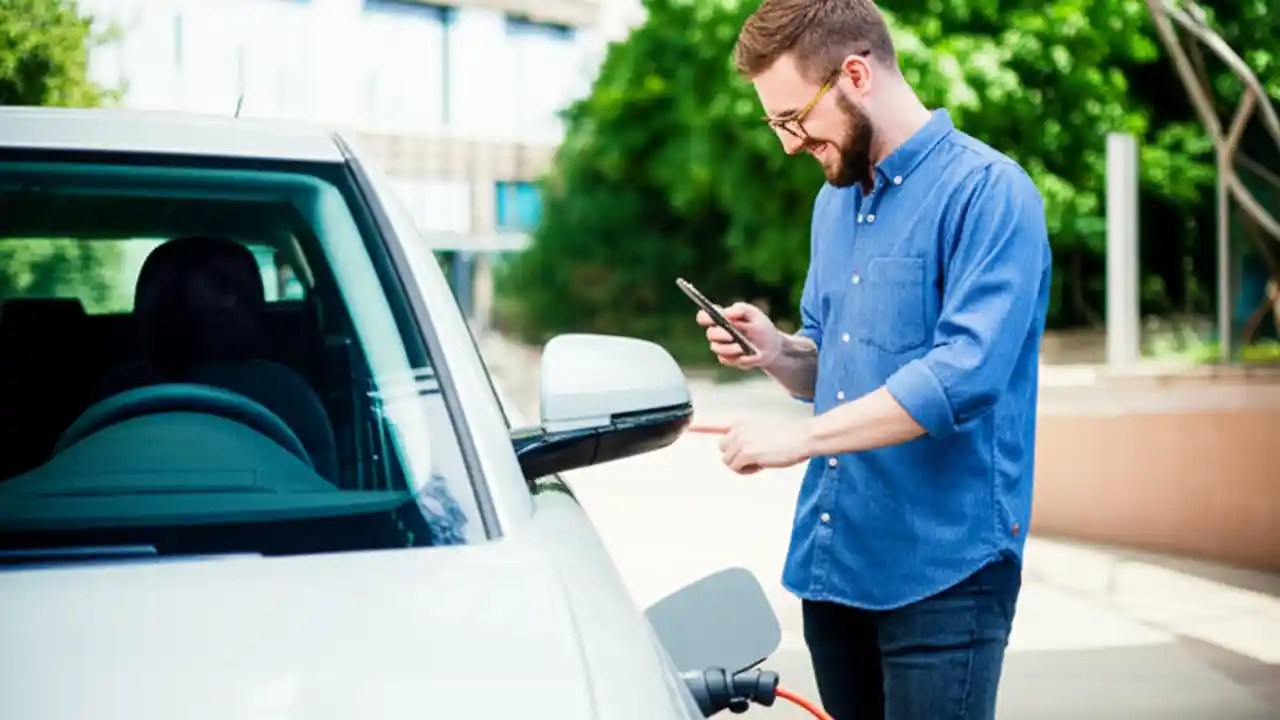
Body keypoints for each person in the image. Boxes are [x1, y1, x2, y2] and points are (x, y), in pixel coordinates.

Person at [699, 1, 1053, 718]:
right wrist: (777, 351)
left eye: (793, 119)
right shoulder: (834, 204)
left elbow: (962, 375)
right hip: (833, 572)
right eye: (777, 125)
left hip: (944, 579)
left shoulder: (991, 193)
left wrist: (800, 438)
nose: (789, 145)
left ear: (854, 75)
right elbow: (828, 360)